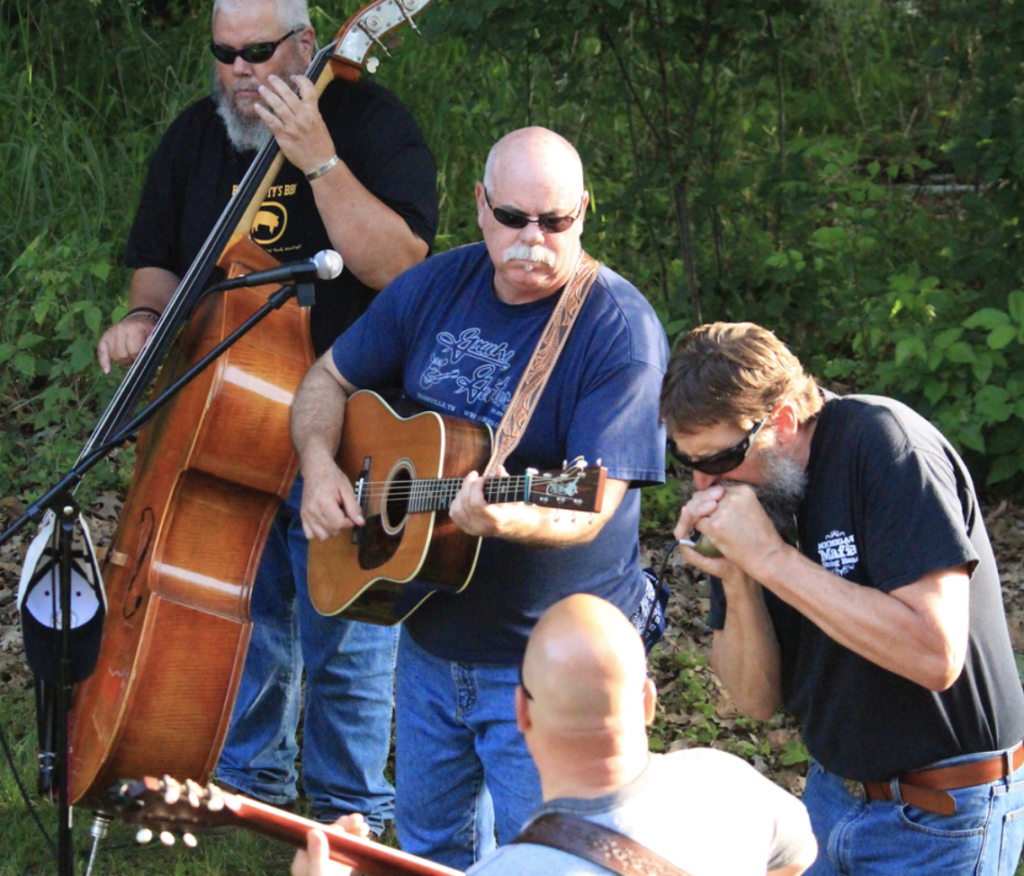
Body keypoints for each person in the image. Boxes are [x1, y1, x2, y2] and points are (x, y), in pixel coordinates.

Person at [94, 0, 438, 834]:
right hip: (226, 415)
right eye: (224, 54)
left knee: (344, 624)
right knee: (246, 607)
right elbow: (156, 262)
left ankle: (351, 808)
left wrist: (318, 158)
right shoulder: (195, 135)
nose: (239, 70)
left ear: (306, 42)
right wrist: (142, 318)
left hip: (353, 412)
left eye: (256, 50)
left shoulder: (373, 123)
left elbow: (401, 267)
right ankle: (254, 784)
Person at [291, 126, 669, 868]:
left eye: (555, 221)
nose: (533, 238)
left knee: (550, 860)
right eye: (514, 217)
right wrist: (319, 464)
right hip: (427, 635)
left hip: (551, 667)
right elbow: (327, 379)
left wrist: (511, 516)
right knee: (430, 851)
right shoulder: (438, 285)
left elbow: (590, 503)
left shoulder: (617, 330)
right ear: (480, 205)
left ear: (583, 212)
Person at [660, 321, 1024, 876]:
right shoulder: (752, 493)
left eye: (718, 459)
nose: (705, 485)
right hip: (831, 796)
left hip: (941, 811)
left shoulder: (882, 444)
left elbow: (935, 655)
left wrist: (772, 560)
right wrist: (739, 581)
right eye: (689, 464)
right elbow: (754, 701)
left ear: (782, 420)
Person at [292, 594, 817, 876]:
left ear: (521, 712)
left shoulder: (508, 871)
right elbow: (798, 856)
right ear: (648, 703)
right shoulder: (728, 782)